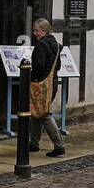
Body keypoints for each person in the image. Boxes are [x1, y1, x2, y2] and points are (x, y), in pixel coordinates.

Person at [28, 18, 66, 157]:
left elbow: (38, 66)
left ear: (44, 30)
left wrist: (32, 78)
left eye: (36, 30)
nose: (34, 33)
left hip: (41, 83)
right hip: (52, 82)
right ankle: (34, 143)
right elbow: (58, 66)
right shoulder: (55, 44)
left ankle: (59, 146)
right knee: (35, 113)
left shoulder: (42, 45)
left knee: (43, 114)